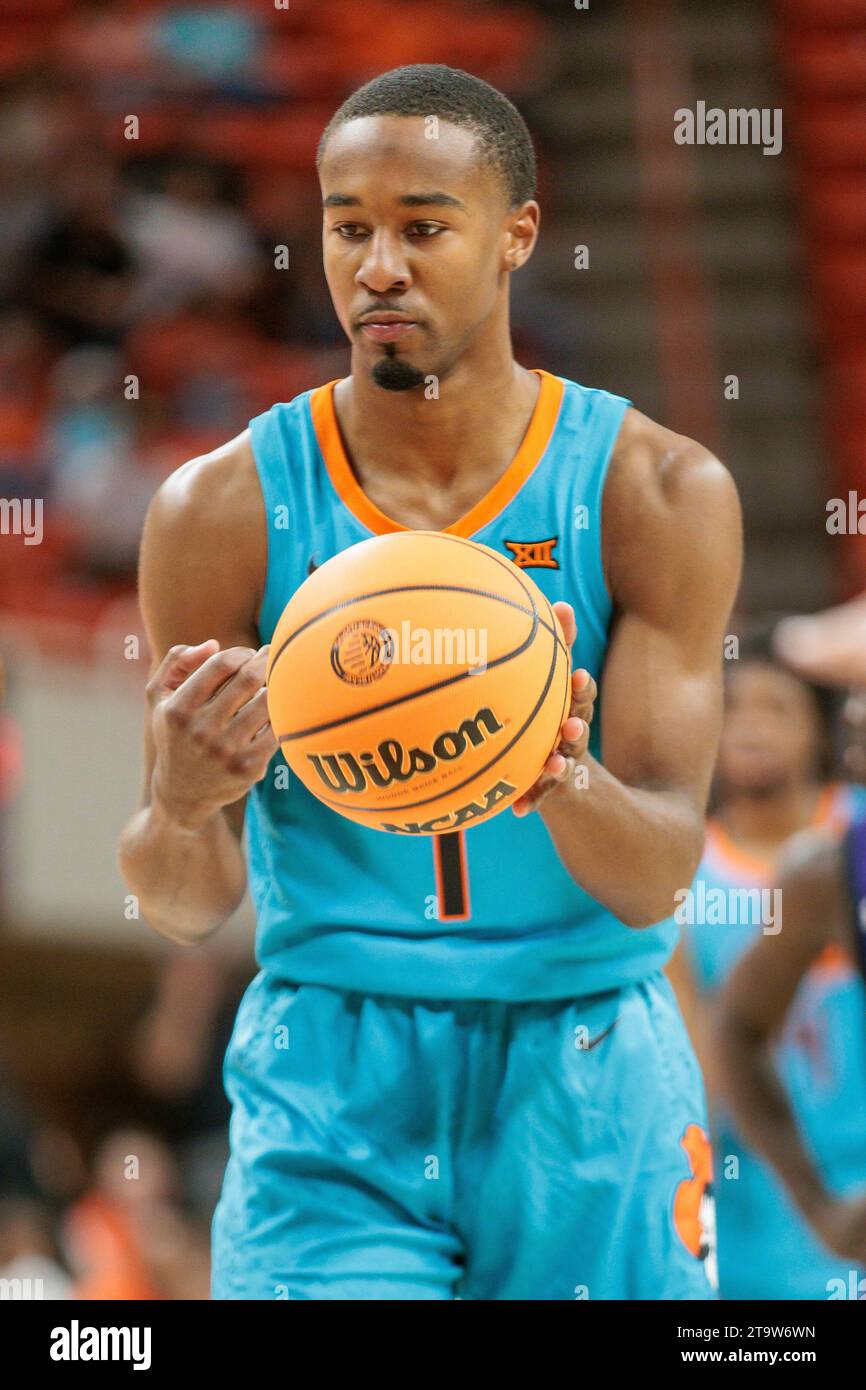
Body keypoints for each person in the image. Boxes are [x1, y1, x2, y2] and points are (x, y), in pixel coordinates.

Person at [118, 64, 742, 1300]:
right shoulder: (222, 508)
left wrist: (555, 769)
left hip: (583, 1057)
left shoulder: (654, 492)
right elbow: (184, 901)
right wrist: (181, 803)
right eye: (347, 226)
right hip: (331, 1063)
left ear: (516, 234)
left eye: (421, 226)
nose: (377, 266)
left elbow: (659, 869)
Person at [667, 633, 866, 1297]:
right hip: (763, 1201)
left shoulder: (850, 840)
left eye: (776, 708)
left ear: (821, 729)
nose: (749, 725)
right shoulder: (683, 874)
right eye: (733, 707)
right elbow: (704, 1050)